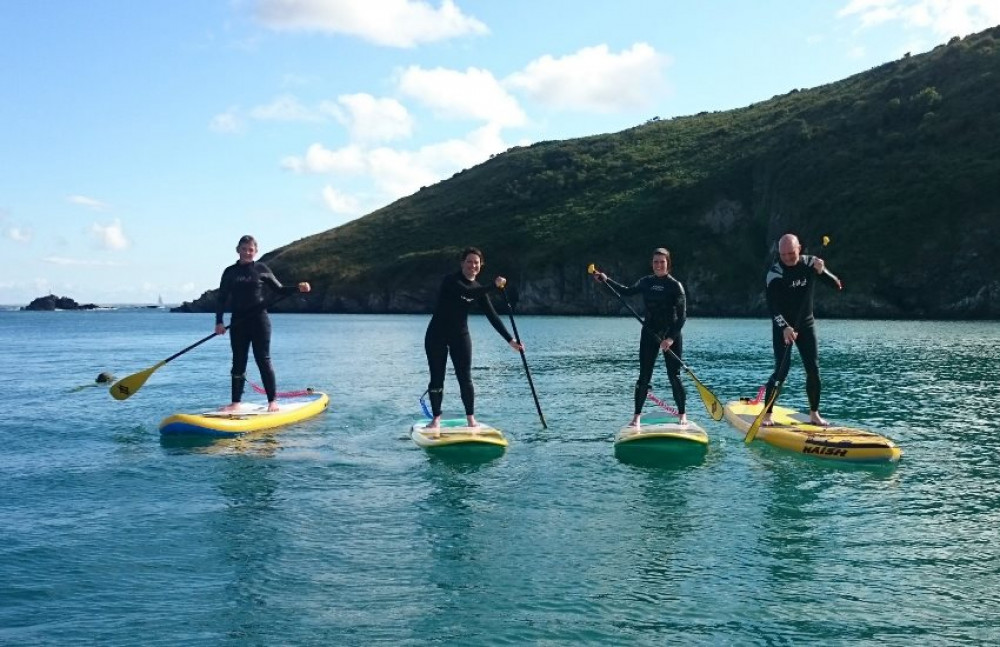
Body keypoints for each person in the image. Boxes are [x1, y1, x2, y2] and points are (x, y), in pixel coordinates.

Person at [424, 247, 523, 429]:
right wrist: (494, 285)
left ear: (481, 265)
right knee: (437, 378)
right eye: (469, 262)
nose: (472, 265)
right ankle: (436, 419)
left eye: (476, 262)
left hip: (460, 335)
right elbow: (467, 293)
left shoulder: (479, 289)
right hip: (436, 335)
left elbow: (493, 317)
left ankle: (471, 419)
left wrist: (511, 341)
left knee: (465, 378)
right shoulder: (451, 281)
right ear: (462, 263)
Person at [215, 235, 310, 412]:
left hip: (259, 321)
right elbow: (221, 299)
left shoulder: (261, 268)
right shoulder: (229, 272)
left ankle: (272, 401)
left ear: (255, 251)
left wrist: (298, 288)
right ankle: (236, 403)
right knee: (238, 361)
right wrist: (219, 322)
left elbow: (280, 290)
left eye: (251, 249)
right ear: (238, 250)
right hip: (238, 322)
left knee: (263, 360)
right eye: (244, 249)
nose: (247, 252)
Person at [593, 247, 687, 427]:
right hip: (650, 333)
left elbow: (682, 316)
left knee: (674, 375)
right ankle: (636, 417)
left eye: (662, 261)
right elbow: (626, 291)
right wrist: (606, 280)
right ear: (652, 264)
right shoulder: (646, 282)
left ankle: (682, 414)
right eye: (655, 262)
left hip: (670, 333)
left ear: (668, 263)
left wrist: (670, 339)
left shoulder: (675, 286)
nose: (658, 265)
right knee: (644, 376)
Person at [761, 233, 842, 427]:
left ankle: (814, 414)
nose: (788, 257)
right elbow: (772, 307)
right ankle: (767, 415)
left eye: (791, 253)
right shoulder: (774, 273)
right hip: (783, 327)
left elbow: (837, 285)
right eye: (783, 254)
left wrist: (823, 272)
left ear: (799, 249)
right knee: (781, 371)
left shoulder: (811, 264)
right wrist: (784, 327)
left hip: (806, 324)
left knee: (813, 370)